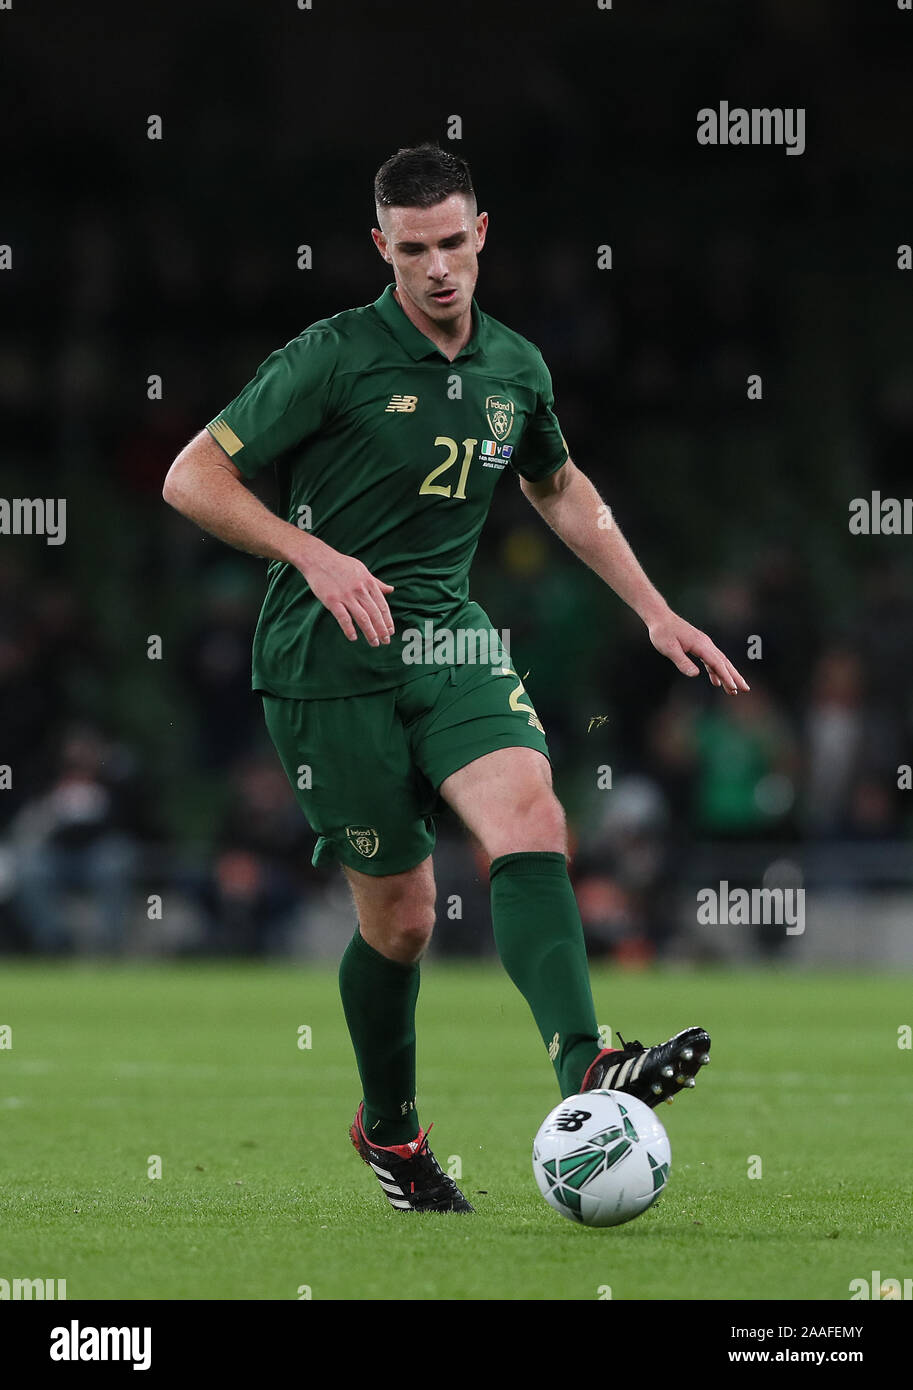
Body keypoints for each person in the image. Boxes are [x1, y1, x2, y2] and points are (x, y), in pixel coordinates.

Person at [163, 143, 749, 1213]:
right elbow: (189, 475)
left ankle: (584, 1063)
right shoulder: (332, 357)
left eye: (451, 244)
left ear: (481, 237)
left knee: (531, 812)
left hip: (449, 640)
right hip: (323, 664)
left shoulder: (517, 368)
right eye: (412, 247)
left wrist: (654, 607)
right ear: (380, 247)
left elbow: (558, 485)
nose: (436, 268)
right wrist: (311, 551)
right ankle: (390, 1132)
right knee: (403, 921)